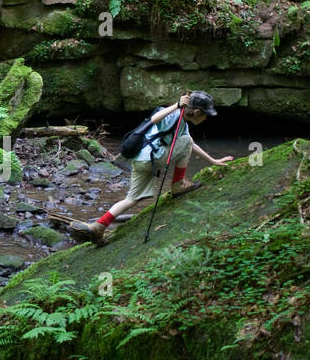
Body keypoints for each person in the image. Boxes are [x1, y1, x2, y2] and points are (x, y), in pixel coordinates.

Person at [77, 91, 233, 246]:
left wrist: (214, 161)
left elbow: (190, 145)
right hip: (151, 159)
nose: (206, 118)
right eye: (205, 115)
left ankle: (99, 225)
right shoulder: (174, 115)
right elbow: (155, 119)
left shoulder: (182, 123)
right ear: (197, 112)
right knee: (186, 140)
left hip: (140, 160)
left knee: (131, 199)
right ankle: (178, 184)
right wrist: (177, 105)